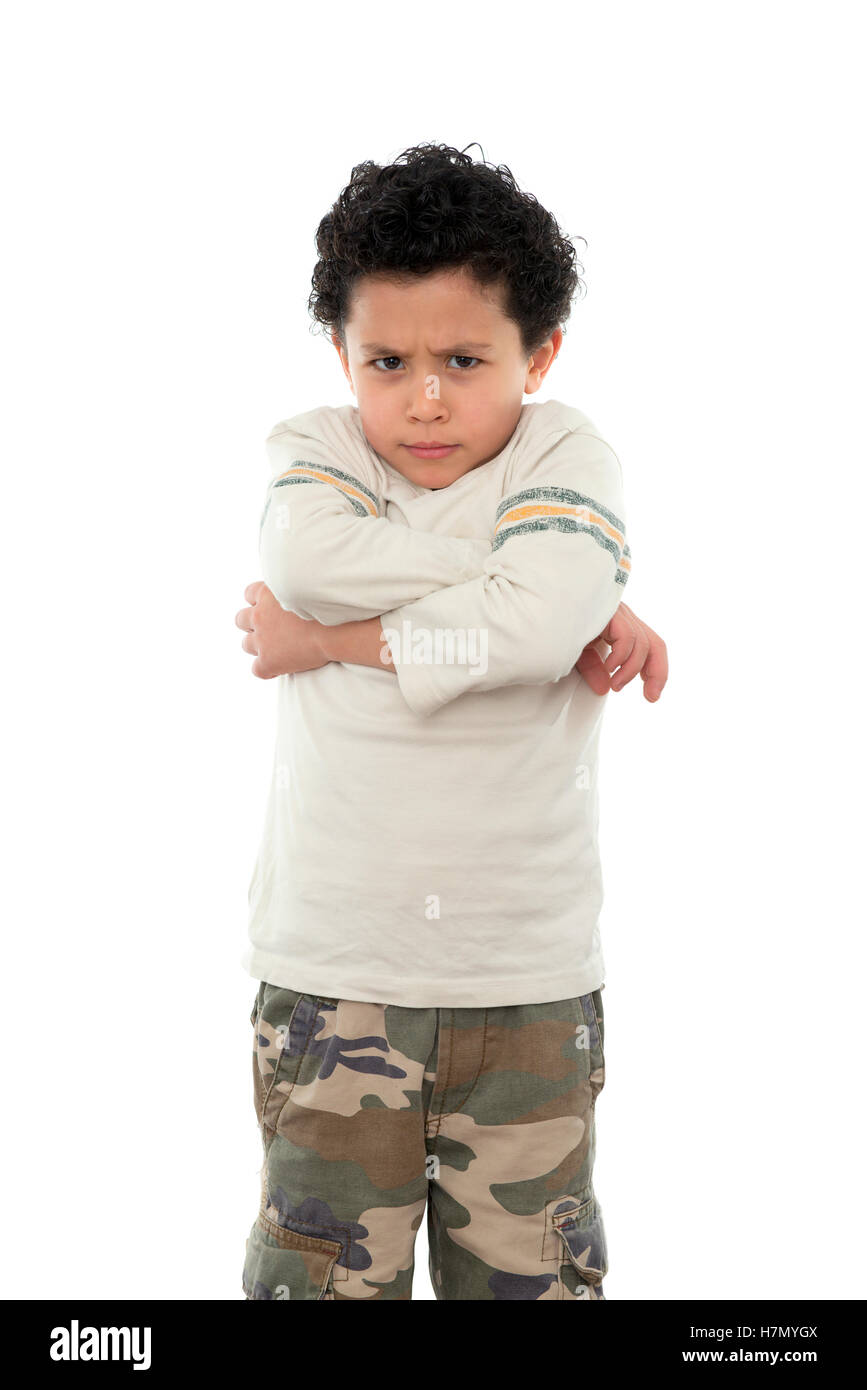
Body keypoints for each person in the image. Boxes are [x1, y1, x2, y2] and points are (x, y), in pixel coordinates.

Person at [234, 142, 668, 1301]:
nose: (425, 396)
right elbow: (307, 553)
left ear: (542, 354)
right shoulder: (317, 452)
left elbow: (525, 632)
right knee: (318, 1283)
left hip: (524, 985)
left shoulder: (566, 449)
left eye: (466, 360)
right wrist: (555, 582)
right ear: (343, 354)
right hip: (336, 975)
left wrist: (327, 641)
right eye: (388, 360)